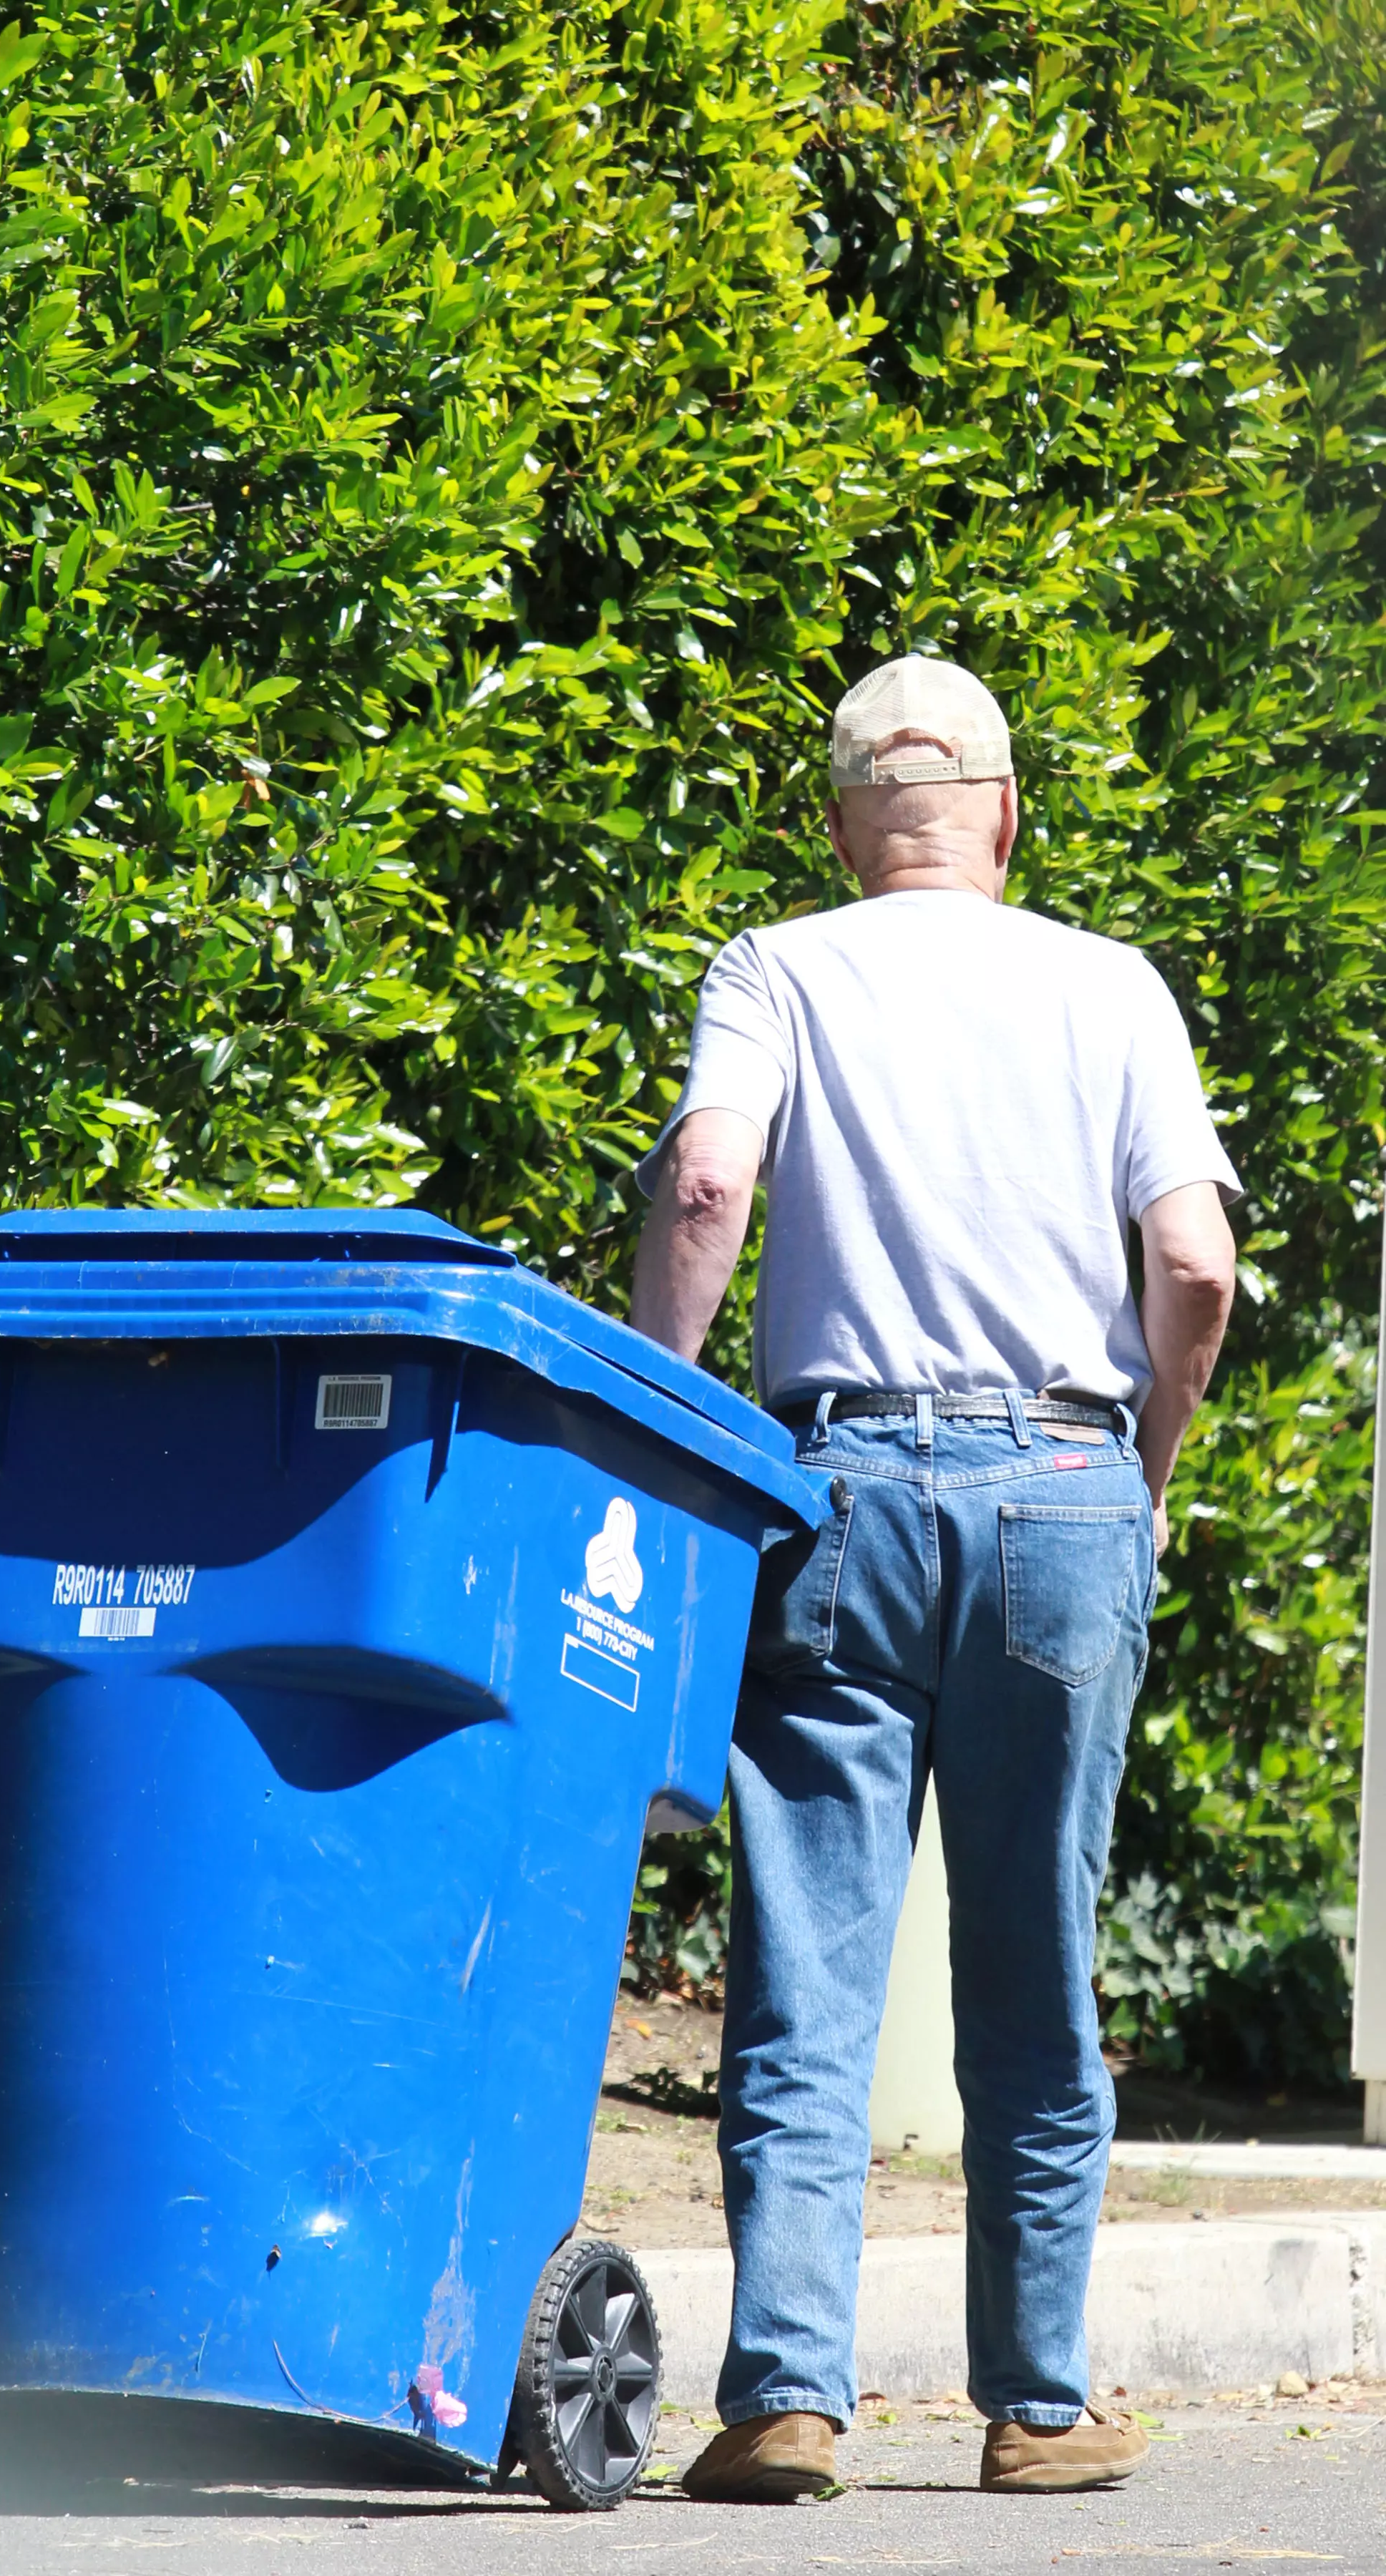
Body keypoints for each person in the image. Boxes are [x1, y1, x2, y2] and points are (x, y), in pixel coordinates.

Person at [630, 654, 1238, 2501]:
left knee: (809, 1960)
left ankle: (790, 2396)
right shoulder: (1107, 984)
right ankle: (1039, 2405)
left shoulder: (779, 969)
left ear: (838, 824)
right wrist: (1137, 1475)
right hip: (1062, 1486)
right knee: (1036, 1966)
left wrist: (667, 1423)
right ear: (1001, 816)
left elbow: (708, 1188)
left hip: (838, 1494)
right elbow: (1196, 1267)